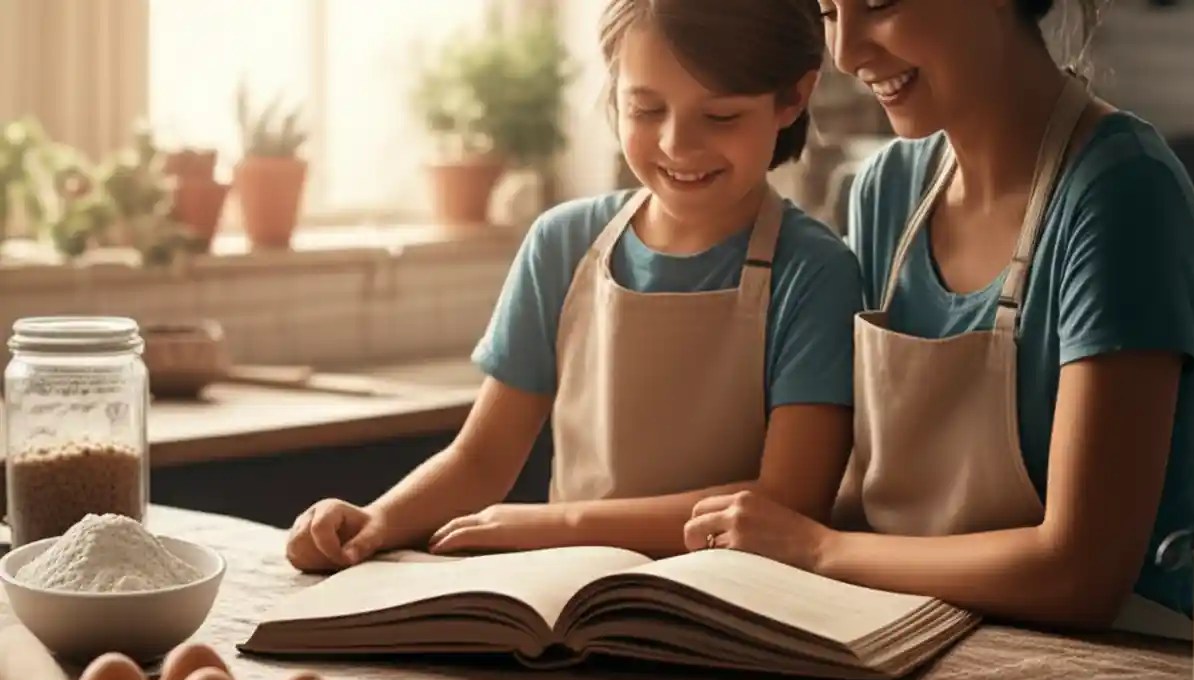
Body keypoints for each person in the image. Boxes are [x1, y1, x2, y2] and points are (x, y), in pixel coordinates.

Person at [685, 0, 1194, 632]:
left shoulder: (1122, 192)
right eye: (828, 11)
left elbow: (1080, 573)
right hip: (910, 628)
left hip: (1118, 653)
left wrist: (817, 549)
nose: (846, 53)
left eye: (878, 4)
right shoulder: (887, 191)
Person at [284, 0, 863, 571]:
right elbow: (482, 459)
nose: (676, 144)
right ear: (613, 92)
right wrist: (376, 520)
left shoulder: (816, 271)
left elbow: (788, 501)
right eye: (645, 109)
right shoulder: (562, 243)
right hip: (572, 591)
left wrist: (561, 524)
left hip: (740, 597)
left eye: (720, 117)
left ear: (793, 97)